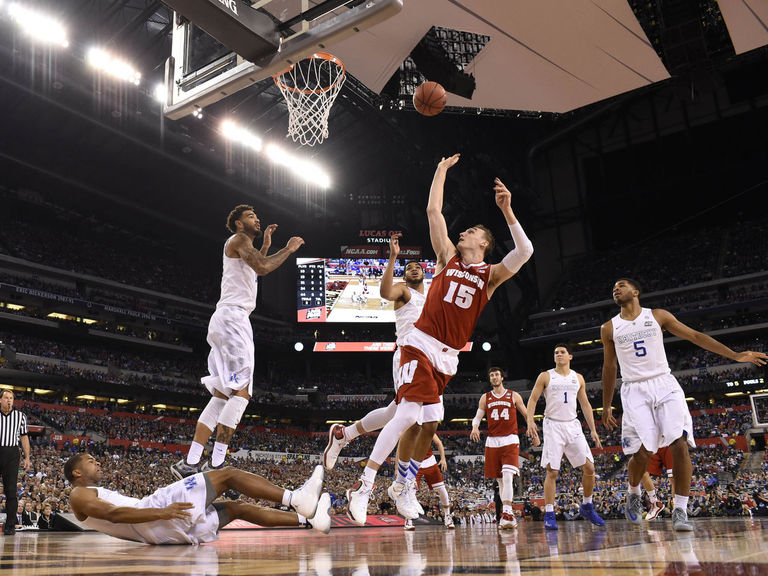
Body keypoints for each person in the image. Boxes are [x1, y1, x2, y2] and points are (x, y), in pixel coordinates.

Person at [345, 154, 534, 526]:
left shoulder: (490, 275)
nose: (463, 233)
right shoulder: (447, 258)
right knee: (409, 413)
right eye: (463, 231)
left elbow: (525, 252)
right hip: (420, 341)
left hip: (448, 356)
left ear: (484, 243)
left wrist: (508, 211)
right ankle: (364, 485)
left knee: (432, 418)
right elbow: (435, 212)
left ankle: (402, 484)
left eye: (472, 232)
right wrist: (439, 172)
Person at [601, 278, 767, 531]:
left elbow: (694, 336)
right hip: (634, 389)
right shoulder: (609, 328)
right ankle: (633, 491)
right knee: (643, 452)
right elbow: (609, 366)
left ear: (636, 291)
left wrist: (734, 355)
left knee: (679, 443)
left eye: (621, 285)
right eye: (613, 287)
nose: (616, 288)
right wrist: (606, 405)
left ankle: (680, 510)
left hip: (664, 383)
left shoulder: (657, 316)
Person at [172, 205, 304, 478]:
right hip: (234, 320)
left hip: (224, 319)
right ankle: (217, 462)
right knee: (241, 393)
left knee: (222, 394)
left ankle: (191, 461)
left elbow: (254, 268)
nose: (257, 219)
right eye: (251, 217)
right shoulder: (239, 239)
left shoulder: (241, 244)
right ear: (239, 224)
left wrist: (266, 245)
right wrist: (289, 249)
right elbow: (264, 268)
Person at [324, 234, 429, 515]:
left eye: (418, 266)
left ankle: (344, 434)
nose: (414, 269)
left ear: (425, 272)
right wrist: (393, 258)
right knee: (412, 422)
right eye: (409, 268)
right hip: (408, 355)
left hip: (428, 360)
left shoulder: (430, 295)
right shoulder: (403, 291)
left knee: (397, 412)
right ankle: (379, 484)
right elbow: (384, 293)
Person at [66, 453, 330, 544]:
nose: (98, 463)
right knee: (226, 476)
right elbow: (114, 515)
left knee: (238, 509)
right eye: (91, 461)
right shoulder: (78, 494)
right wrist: (162, 512)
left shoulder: (90, 494)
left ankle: (309, 521)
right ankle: (296, 498)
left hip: (162, 535)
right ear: (77, 472)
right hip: (156, 518)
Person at [526, 343, 604, 530]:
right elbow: (533, 399)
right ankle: (550, 512)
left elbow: (585, 405)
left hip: (572, 424)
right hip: (553, 424)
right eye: (556, 353)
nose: (559, 354)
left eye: (562, 352)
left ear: (570, 356)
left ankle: (587, 505)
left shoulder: (578, 378)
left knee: (589, 467)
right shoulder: (546, 376)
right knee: (552, 471)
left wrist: (593, 429)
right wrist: (530, 421)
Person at [470, 367, 531, 529]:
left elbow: (526, 414)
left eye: (497, 375)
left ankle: (508, 513)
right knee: (500, 481)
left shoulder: (513, 395)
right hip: (492, 441)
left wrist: (533, 429)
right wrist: (475, 427)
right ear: (490, 379)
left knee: (507, 476)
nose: (494, 377)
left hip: (510, 439)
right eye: (492, 375)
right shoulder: (485, 397)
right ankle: (506, 514)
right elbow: (477, 417)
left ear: (502, 378)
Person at [0, 390, 30, 536]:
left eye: (11, 398)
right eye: (6, 397)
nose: (9, 400)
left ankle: (10, 525)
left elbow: (24, 438)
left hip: (12, 452)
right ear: (0, 400)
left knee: (11, 490)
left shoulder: (20, 417)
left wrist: (27, 457)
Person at [410, 434, 455, 530]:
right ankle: (409, 518)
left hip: (429, 461)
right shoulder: (407, 428)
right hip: (414, 463)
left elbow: (439, 443)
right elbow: (400, 449)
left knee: (441, 489)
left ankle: (447, 516)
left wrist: (443, 459)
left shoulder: (427, 427)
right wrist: (398, 467)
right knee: (410, 491)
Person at [642, 445, 674, 520]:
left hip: (669, 441)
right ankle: (655, 502)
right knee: (642, 472)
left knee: (673, 477)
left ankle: (678, 509)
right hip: (654, 443)